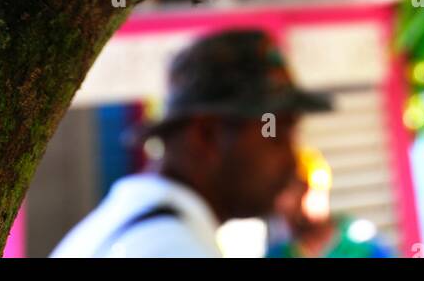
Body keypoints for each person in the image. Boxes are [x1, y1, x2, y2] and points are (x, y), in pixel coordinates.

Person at [49, 28, 331, 258]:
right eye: (279, 134)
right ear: (205, 134)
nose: (293, 161)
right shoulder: (172, 246)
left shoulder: (130, 223)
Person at [266, 148, 394, 258]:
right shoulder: (278, 254)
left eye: (297, 189)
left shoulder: (363, 246)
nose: (285, 204)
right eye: (280, 193)